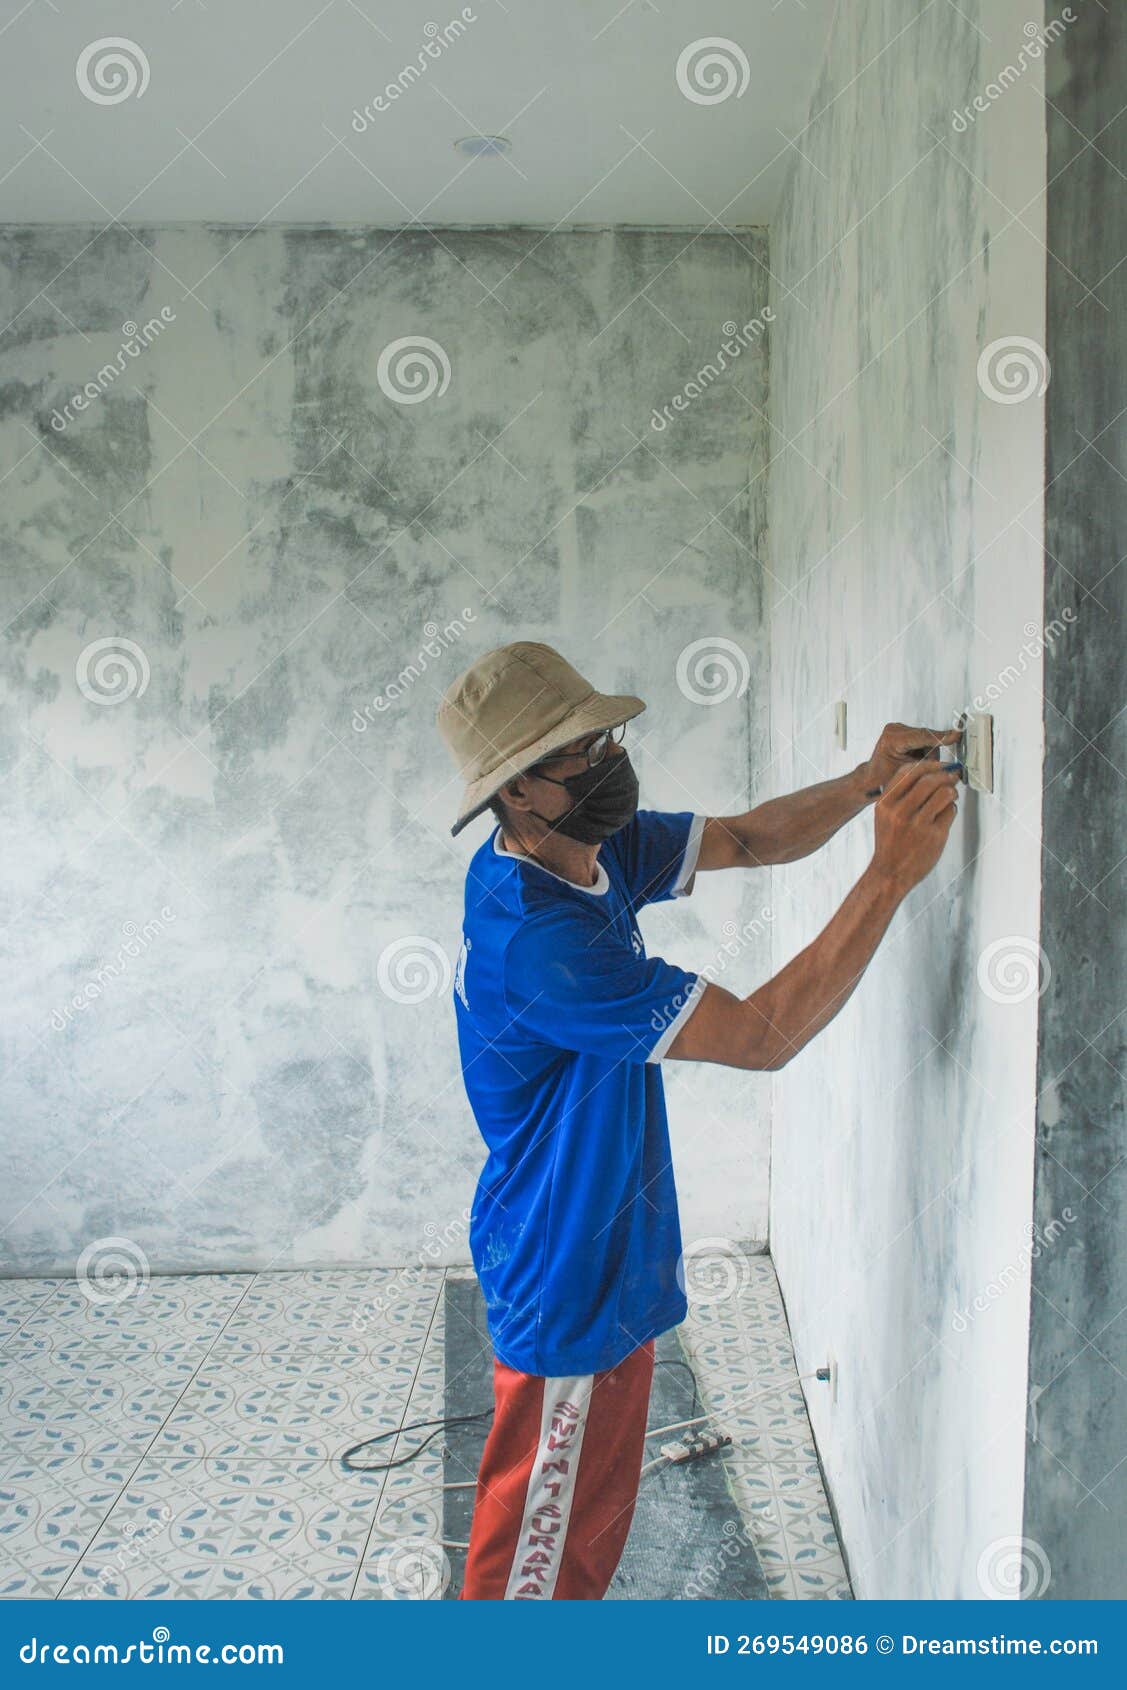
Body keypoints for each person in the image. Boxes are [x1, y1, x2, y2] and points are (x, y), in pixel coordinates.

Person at [436, 641, 960, 1600]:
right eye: (577, 755)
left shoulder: (577, 851)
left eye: (606, 738)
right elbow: (763, 1035)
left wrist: (860, 784)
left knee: (579, 1546)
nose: (607, 764)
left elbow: (751, 838)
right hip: (567, 1279)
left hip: (604, 1256)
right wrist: (888, 876)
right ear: (517, 791)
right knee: (530, 1573)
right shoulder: (541, 940)